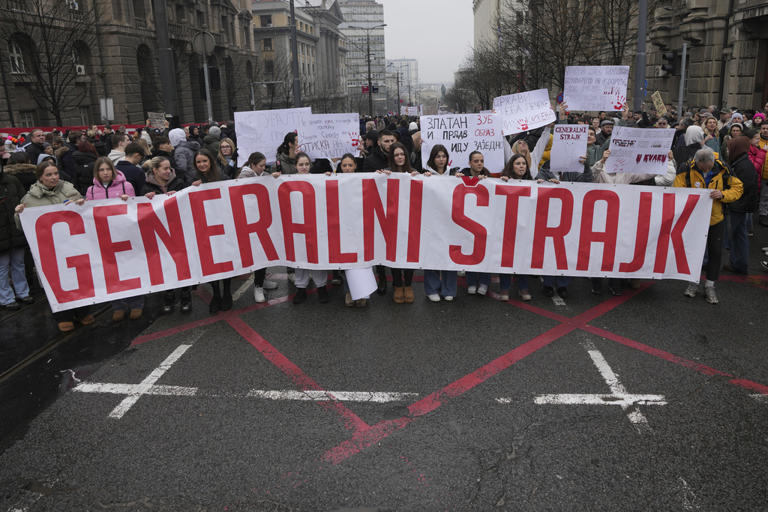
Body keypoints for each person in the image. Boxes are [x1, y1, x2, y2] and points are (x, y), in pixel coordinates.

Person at [14, 161, 91, 331]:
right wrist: (19, 215)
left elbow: (85, 211)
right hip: (50, 250)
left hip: (73, 245)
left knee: (78, 278)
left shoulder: (70, 190)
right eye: (48, 175)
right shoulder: (30, 199)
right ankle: (63, 316)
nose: (53, 177)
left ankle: (83, 311)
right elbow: (23, 226)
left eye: (55, 173)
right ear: (40, 178)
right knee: (56, 282)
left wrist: (81, 204)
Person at [674, 147, 743, 304]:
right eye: (703, 168)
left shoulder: (723, 168)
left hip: (716, 219)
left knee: (715, 252)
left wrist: (723, 195)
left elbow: (738, 188)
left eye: (709, 167)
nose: (706, 170)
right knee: (694, 252)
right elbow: (677, 189)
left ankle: (710, 285)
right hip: (694, 219)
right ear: (697, 162)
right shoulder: (686, 168)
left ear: (713, 162)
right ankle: (693, 282)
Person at [84, 157, 143, 320]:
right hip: (104, 236)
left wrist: (129, 200)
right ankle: (117, 305)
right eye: (101, 170)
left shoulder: (127, 185)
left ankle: (136, 302)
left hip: (124, 235)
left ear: (113, 170)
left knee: (130, 269)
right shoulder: (91, 191)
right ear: (97, 172)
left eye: (107, 169)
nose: (105, 173)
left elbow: (135, 208)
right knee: (111, 272)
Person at [141, 156, 192, 314]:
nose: (168, 171)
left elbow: (189, 201)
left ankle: (185, 296)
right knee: (166, 266)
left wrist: (179, 195)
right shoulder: (146, 187)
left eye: (170, 168)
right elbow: (141, 211)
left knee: (183, 264)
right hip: (160, 234)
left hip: (179, 230)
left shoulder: (179, 182)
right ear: (155, 170)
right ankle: (168, 296)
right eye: (165, 169)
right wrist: (146, 199)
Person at [236, 152, 281, 303]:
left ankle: (261, 280)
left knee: (265, 252)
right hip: (251, 222)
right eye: (261, 166)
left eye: (264, 165)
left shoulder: (261, 175)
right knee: (258, 254)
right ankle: (258, 286)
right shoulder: (244, 178)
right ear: (252, 165)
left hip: (263, 220)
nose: (263, 168)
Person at [192, 149, 233, 313]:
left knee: (225, 259)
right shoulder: (192, 180)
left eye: (204, 161)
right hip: (204, 228)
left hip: (222, 226)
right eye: (198, 162)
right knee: (211, 261)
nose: (202, 165)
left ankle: (227, 292)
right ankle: (216, 293)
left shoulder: (222, 177)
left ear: (210, 162)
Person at [378, 142, 418, 303]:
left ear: (406, 156)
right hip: (392, 221)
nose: (400, 157)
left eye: (402, 154)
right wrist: (378, 177)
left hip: (411, 220)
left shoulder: (414, 172)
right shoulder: (386, 174)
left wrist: (426, 178)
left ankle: (407, 285)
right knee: (394, 253)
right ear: (392, 157)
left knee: (409, 253)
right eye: (396, 155)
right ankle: (397, 285)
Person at [332, 154, 371, 307]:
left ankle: (363, 293)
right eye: (344, 166)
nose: (347, 168)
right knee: (348, 261)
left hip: (362, 225)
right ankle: (349, 291)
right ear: (340, 167)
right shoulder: (334, 180)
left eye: (350, 165)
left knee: (363, 260)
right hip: (344, 227)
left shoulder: (365, 179)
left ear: (355, 166)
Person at [291, 152, 329, 305]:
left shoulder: (317, 179)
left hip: (315, 223)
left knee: (316, 254)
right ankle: (300, 287)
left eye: (307, 164)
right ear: (296, 166)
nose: (304, 167)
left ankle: (321, 287)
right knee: (299, 256)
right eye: (301, 164)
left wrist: (329, 178)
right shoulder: (288, 181)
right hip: (297, 224)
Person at [422, 145, 458, 302]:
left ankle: (449, 289)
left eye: (444, 156)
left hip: (451, 222)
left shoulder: (455, 173)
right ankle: (432, 289)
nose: (441, 159)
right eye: (438, 156)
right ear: (432, 158)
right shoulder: (426, 175)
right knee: (432, 255)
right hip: (432, 222)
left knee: (451, 255)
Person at [499, 153, 535, 301]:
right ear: (511, 166)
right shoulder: (503, 181)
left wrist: (549, 184)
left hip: (525, 227)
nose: (521, 166)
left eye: (524, 164)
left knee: (523, 257)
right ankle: (504, 288)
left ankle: (523, 287)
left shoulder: (533, 183)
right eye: (518, 163)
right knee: (506, 258)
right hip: (507, 227)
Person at [0, 160, 32, 310]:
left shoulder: (12, 180)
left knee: (18, 264)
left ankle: (22, 292)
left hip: (15, 230)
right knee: (2, 268)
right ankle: (6, 298)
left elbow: (24, 200)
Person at [724, 136, 758, 274]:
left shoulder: (743, 166)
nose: (728, 150)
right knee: (740, 235)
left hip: (738, 206)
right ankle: (739, 263)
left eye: (730, 147)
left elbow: (746, 189)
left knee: (737, 236)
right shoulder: (741, 162)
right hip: (741, 206)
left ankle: (738, 264)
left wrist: (735, 203)